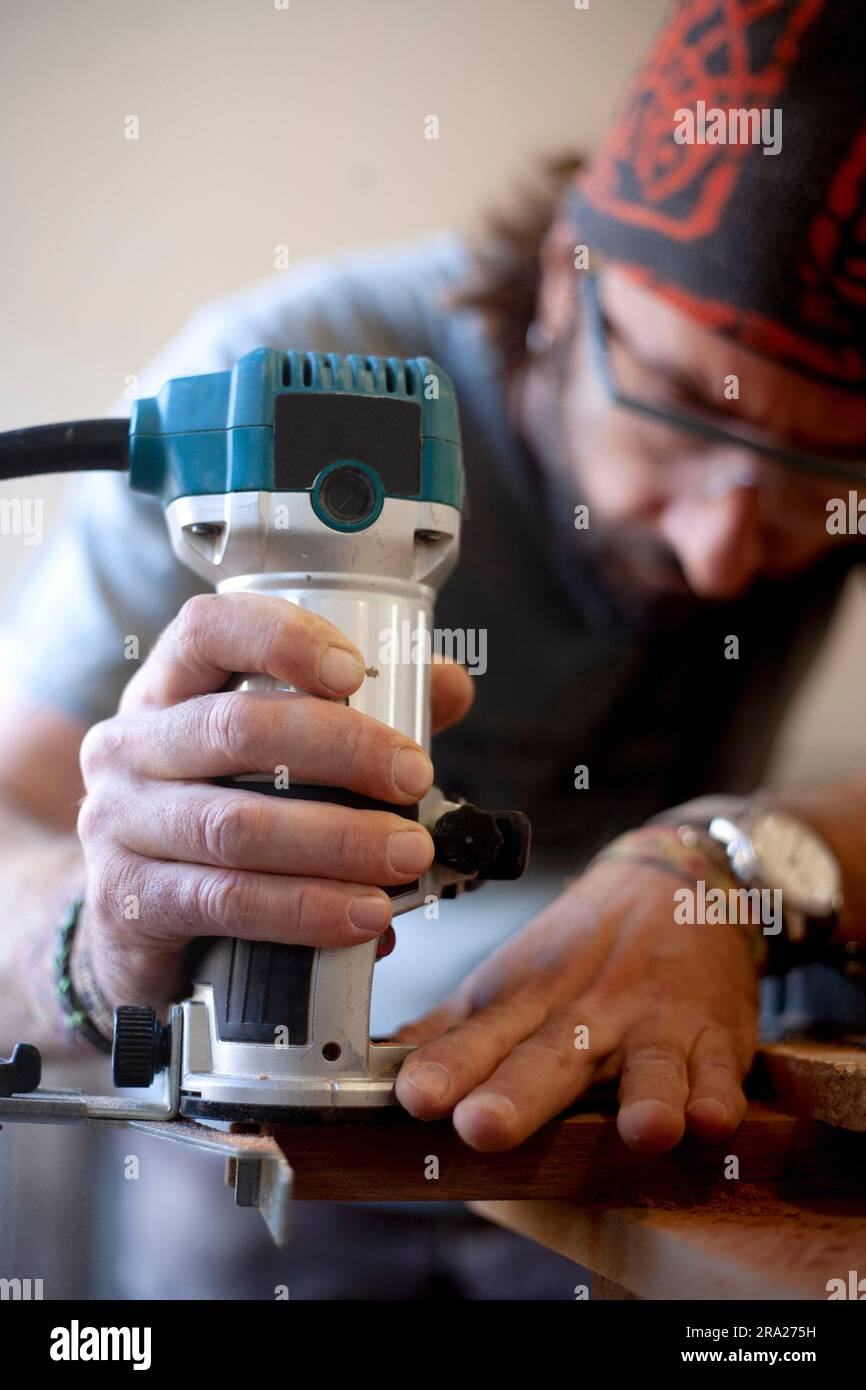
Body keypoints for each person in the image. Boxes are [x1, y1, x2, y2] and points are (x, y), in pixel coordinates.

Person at [3, 0, 866, 1297]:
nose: (720, 552)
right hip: (272, 1136)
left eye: (818, 476)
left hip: (611, 1113)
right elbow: (8, 817)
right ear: (567, 273)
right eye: (682, 407)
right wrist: (95, 931)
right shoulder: (283, 390)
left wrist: (728, 862)